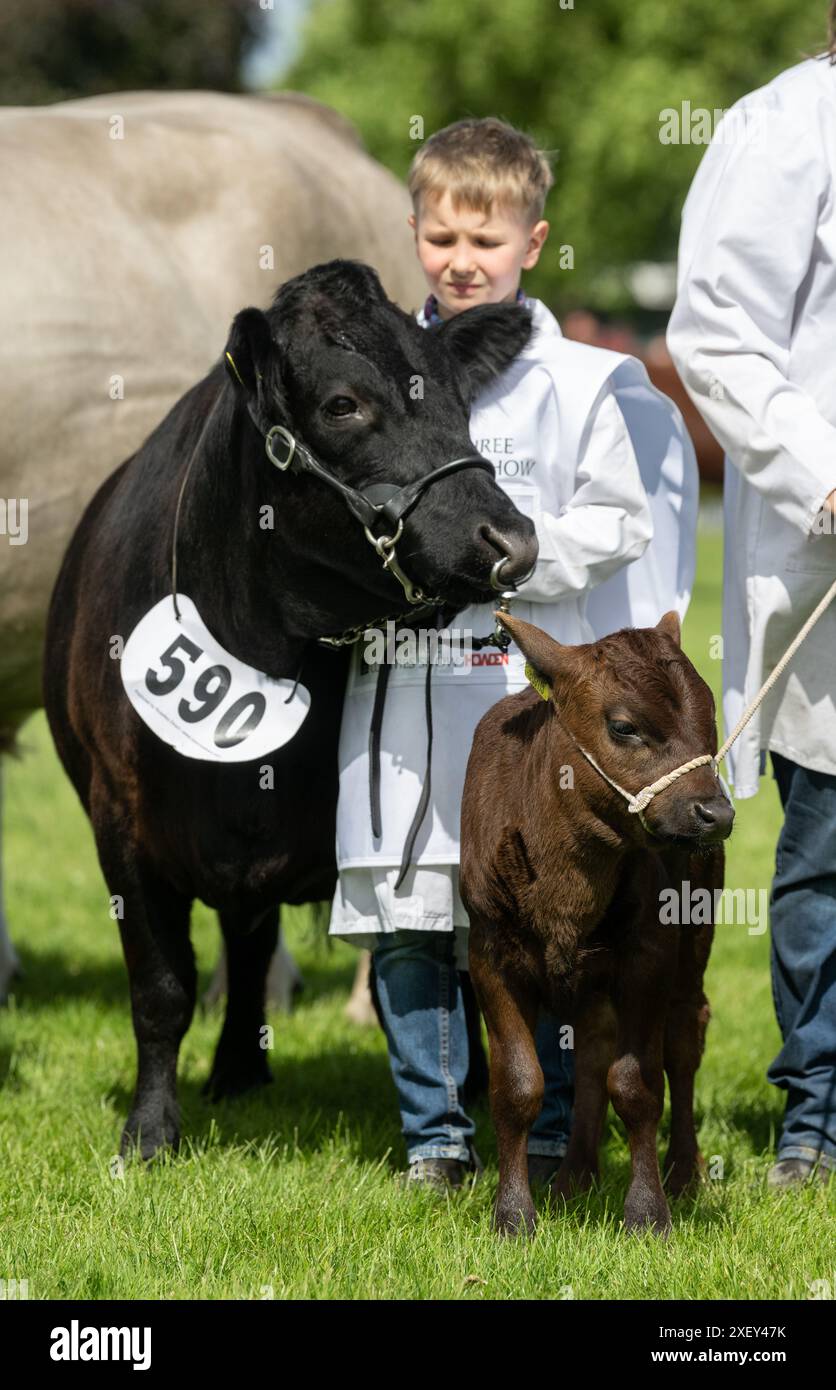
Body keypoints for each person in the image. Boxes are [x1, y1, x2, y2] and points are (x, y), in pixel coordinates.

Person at [330, 116, 698, 1188]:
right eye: (441, 238)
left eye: (484, 242)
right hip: (401, 683)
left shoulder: (581, 382)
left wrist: (505, 564)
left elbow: (621, 521)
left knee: (541, 921)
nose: (460, 261)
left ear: (532, 243)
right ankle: (435, 1139)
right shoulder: (363, 374)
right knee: (410, 910)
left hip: (527, 698)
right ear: (413, 232)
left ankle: (541, 1130)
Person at [667, 20, 836, 1186]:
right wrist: (824, 471)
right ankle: (818, 1113)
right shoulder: (780, 127)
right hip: (827, 556)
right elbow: (717, 335)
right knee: (830, 848)